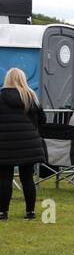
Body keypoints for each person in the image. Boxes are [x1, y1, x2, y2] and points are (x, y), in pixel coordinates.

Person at [0, 68, 46, 221]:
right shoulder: (31, 97)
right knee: (27, 178)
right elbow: (42, 120)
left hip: (6, 144)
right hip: (29, 143)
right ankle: (30, 212)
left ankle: (3, 212)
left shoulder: (1, 97)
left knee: (5, 178)